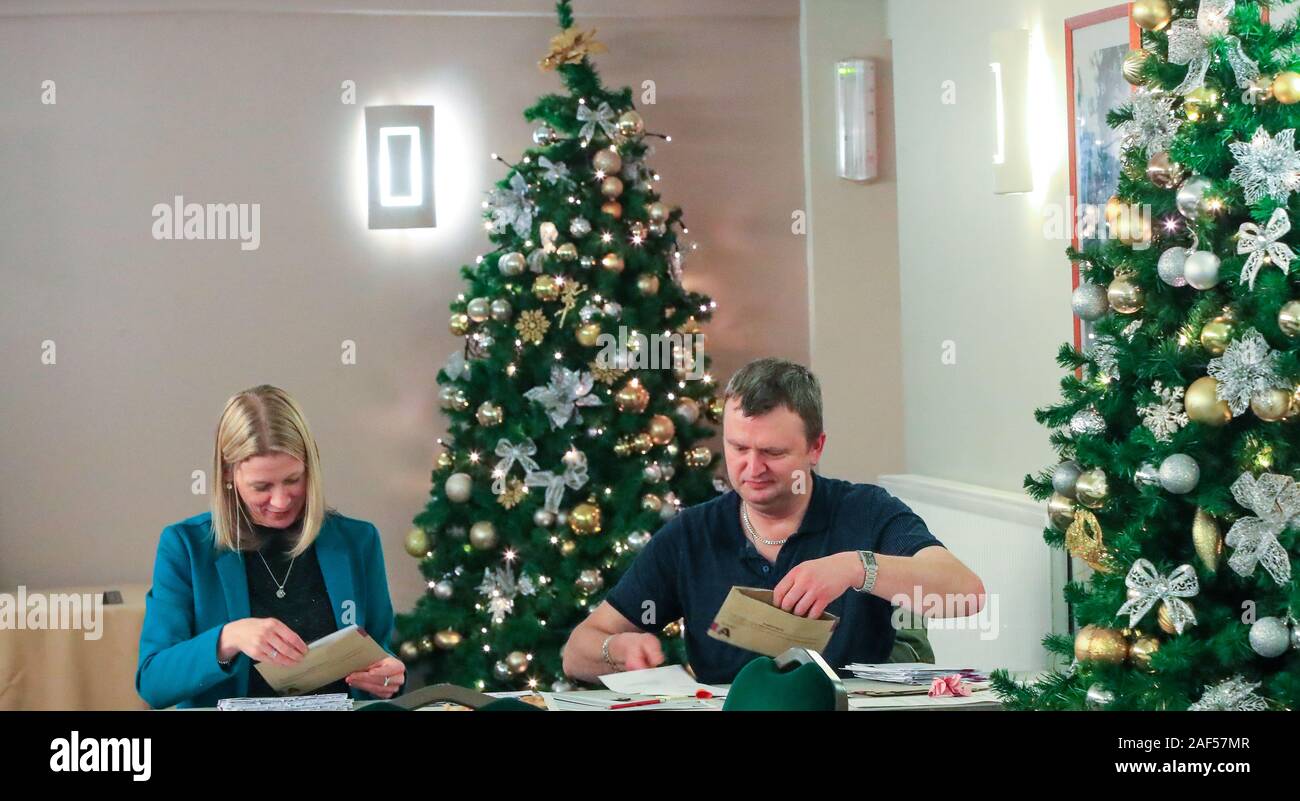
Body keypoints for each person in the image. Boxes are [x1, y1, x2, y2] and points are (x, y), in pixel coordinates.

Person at [562, 358, 986, 685]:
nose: (751, 468)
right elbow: (576, 652)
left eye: (773, 453)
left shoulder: (865, 511)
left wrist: (857, 568)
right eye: (738, 448)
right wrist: (615, 648)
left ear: (815, 448)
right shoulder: (691, 536)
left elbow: (966, 594)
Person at [136, 385, 404, 708]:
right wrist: (228, 638)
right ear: (228, 475)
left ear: (311, 465)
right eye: (261, 486)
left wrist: (388, 676)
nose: (280, 501)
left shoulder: (357, 542)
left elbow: (381, 654)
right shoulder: (186, 547)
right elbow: (153, 682)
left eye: (293, 480)